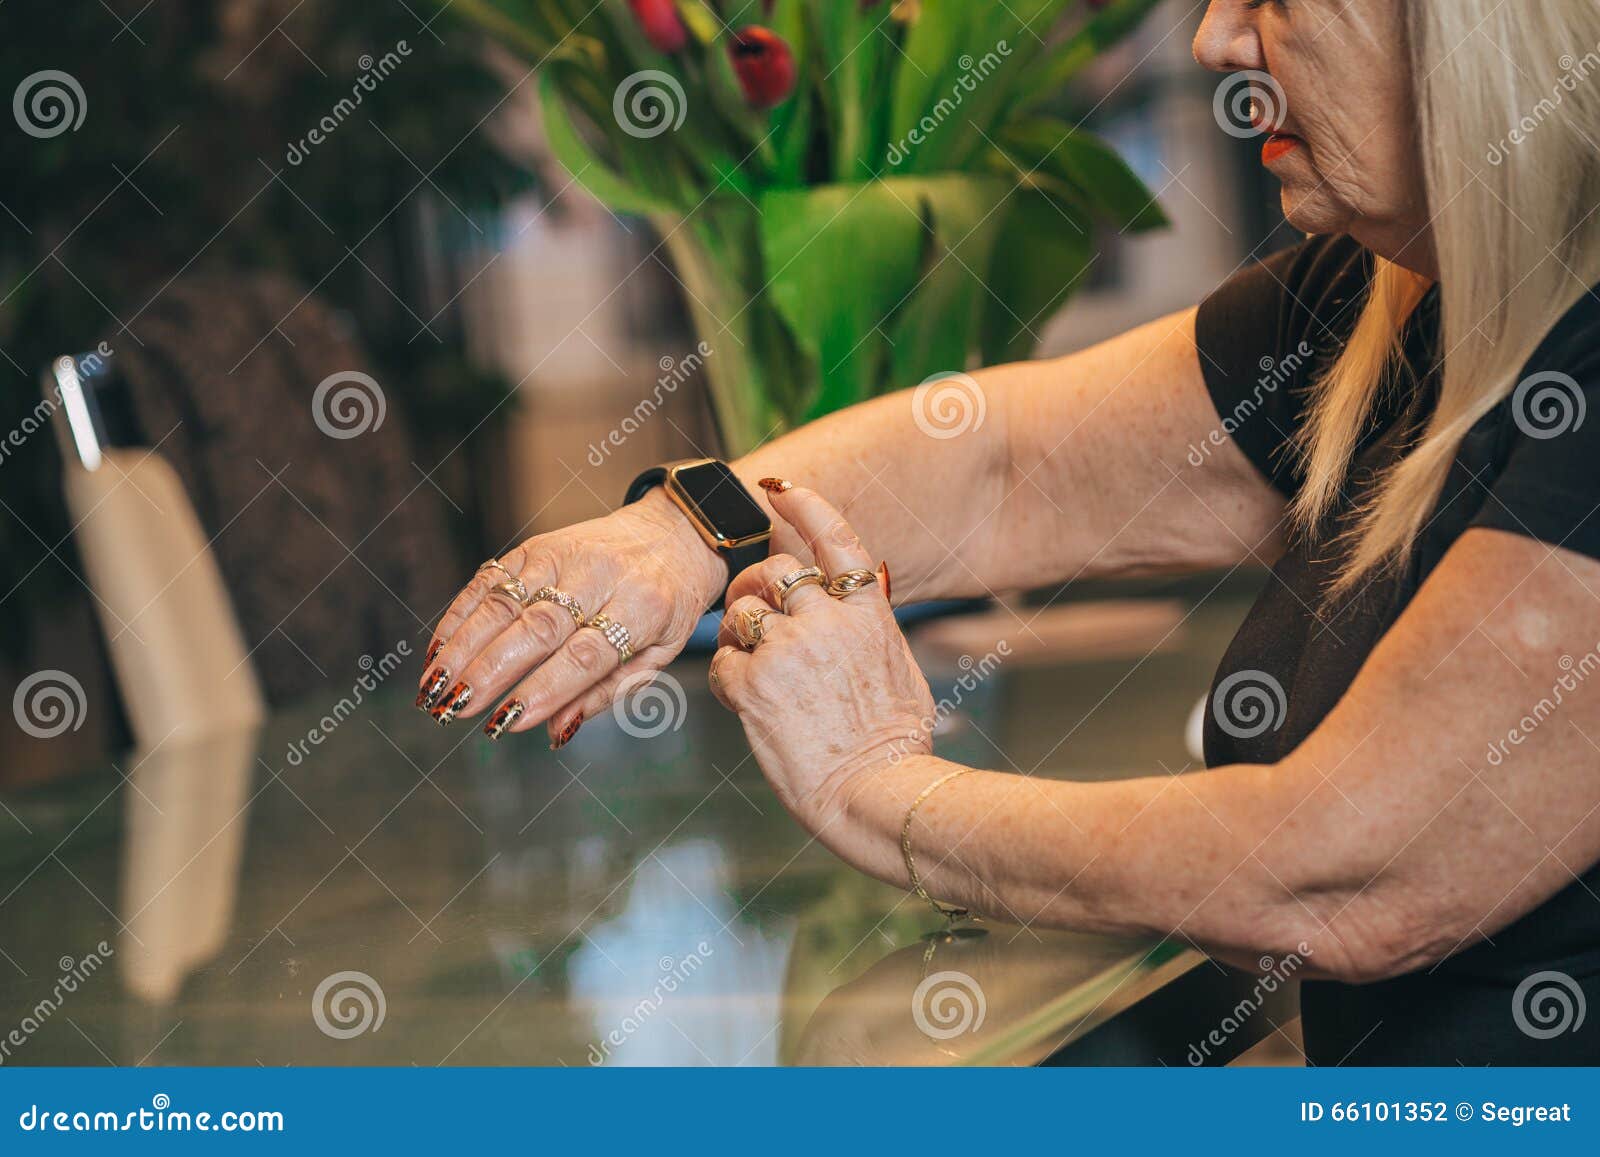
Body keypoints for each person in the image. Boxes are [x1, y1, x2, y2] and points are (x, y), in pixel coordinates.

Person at [417, 1, 1600, 1064]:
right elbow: (1001, 463)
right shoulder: (1392, 297)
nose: (1215, 39)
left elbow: (1340, 869)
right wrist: (682, 535)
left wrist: (877, 786)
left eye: (1277, 0)